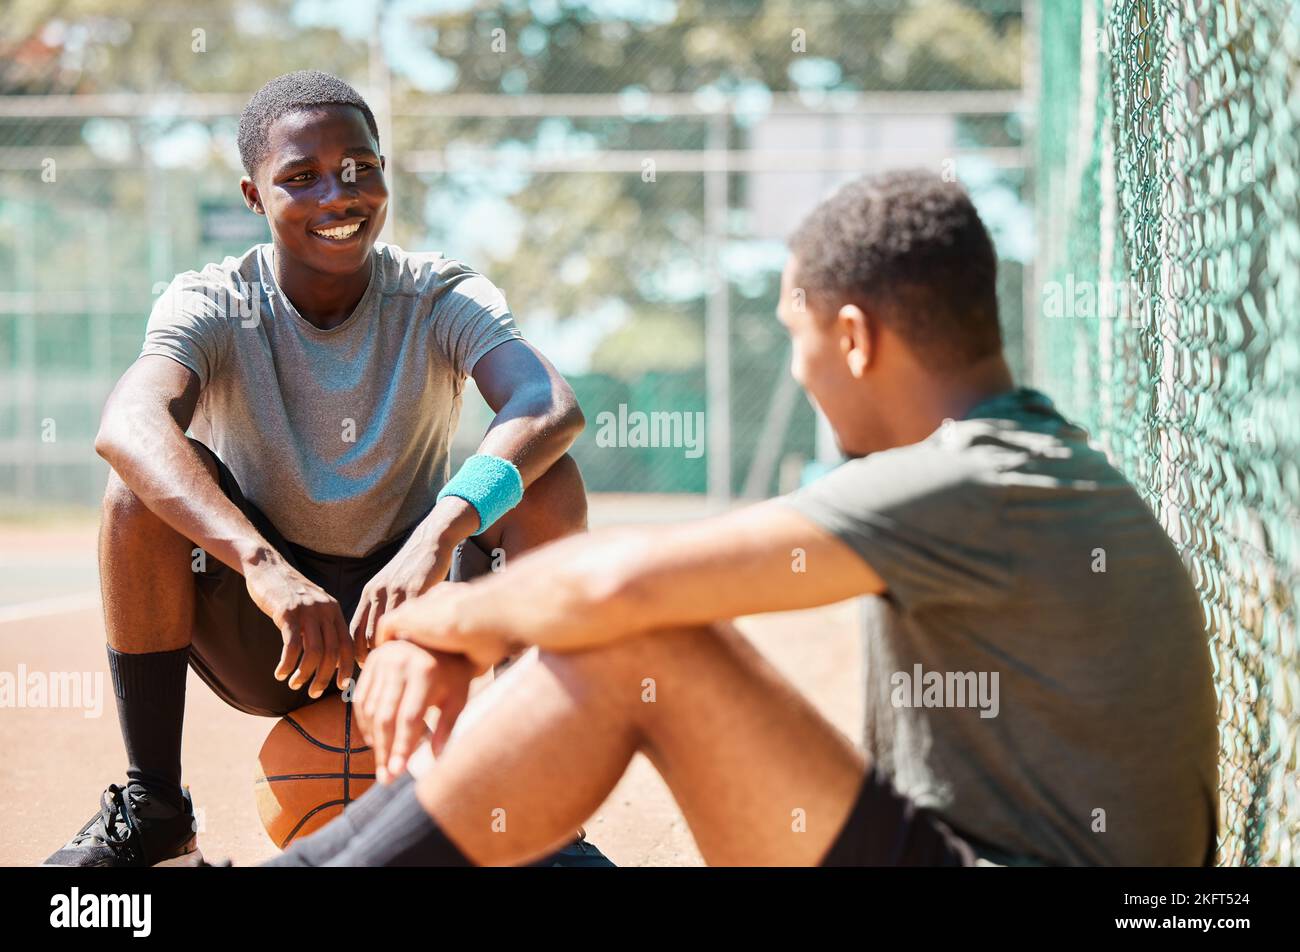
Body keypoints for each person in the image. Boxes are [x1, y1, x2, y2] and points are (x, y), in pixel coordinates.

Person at [266, 169, 1220, 867]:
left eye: (795, 339)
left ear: (852, 338)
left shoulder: (977, 476)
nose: (799, 372)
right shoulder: (1022, 460)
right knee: (634, 640)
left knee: (641, 647)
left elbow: (623, 584)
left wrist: (433, 624)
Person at [45, 70, 610, 867]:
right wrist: (261, 564)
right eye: (299, 177)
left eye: (358, 169)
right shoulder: (212, 301)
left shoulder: (440, 291)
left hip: (413, 614)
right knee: (134, 494)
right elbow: (127, 423)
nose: (336, 197)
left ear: (384, 173)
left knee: (545, 478)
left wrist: (439, 535)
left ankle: (535, 806)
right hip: (270, 630)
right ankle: (157, 811)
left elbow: (548, 404)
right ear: (253, 196)